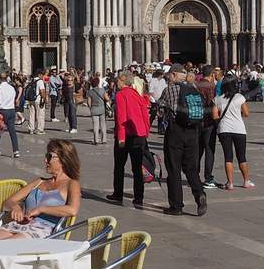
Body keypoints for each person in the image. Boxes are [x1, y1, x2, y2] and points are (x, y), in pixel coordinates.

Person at [0, 139, 81, 237]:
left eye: (49, 157)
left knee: (8, 244)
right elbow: (8, 201)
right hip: (21, 226)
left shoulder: (72, 184)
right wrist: (15, 207)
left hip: (46, 233)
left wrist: (41, 209)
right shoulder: (40, 181)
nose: (45, 160)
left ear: (63, 159)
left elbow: (72, 210)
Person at [160, 65, 207, 216]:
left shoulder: (169, 90)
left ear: (174, 75)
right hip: (193, 132)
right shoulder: (193, 89)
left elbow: (161, 108)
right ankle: (199, 194)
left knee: (174, 168)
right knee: (191, 168)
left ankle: (176, 206)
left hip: (176, 132)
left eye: (169, 75)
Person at [108, 71, 150, 207]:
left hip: (126, 135)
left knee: (119, 166)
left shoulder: (121, 95)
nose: (116, 83)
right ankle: (139, 197)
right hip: (140, 134)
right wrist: (146, 131)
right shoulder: (136, 94)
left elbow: (121, 118)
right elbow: (145, 113)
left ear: (123, 81)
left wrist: (121, 138)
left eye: (118, 81)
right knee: (137, 168)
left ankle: (118, 193)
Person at [213, 77, 254, 190]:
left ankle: (230, 183)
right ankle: (246, 181)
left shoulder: (217, 99)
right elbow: (246, 113)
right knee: (241, 157)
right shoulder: (239, 97)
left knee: (228, 157)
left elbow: (215, 116)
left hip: (224, 129)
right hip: (239, 129)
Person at [0, 73, 20, 157]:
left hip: (3, 111)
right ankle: (16, 151)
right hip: (11, 110)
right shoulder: (11, 88)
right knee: (12, 132)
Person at [85, 74, 108, 145]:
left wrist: (90, 107)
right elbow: (107, 99)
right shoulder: (102, 90)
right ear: (98, 83)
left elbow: (88, 102)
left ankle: (96, 140)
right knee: (103, 125)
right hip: (102, 109)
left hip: (94, 109)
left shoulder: (90, 91)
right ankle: (104, 140)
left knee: (95, 125)